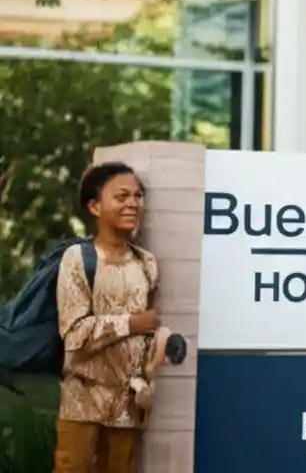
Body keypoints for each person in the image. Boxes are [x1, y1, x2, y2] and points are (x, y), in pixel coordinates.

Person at [54, 162, 161, 473]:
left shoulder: (147, 263)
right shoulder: (78, 259)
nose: (133, 204)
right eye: (122, 196)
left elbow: (149, 334)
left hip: (127, 409)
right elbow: (74, 334)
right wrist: (130, 323)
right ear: (94, 206)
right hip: (81, 403)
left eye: (138, 196)